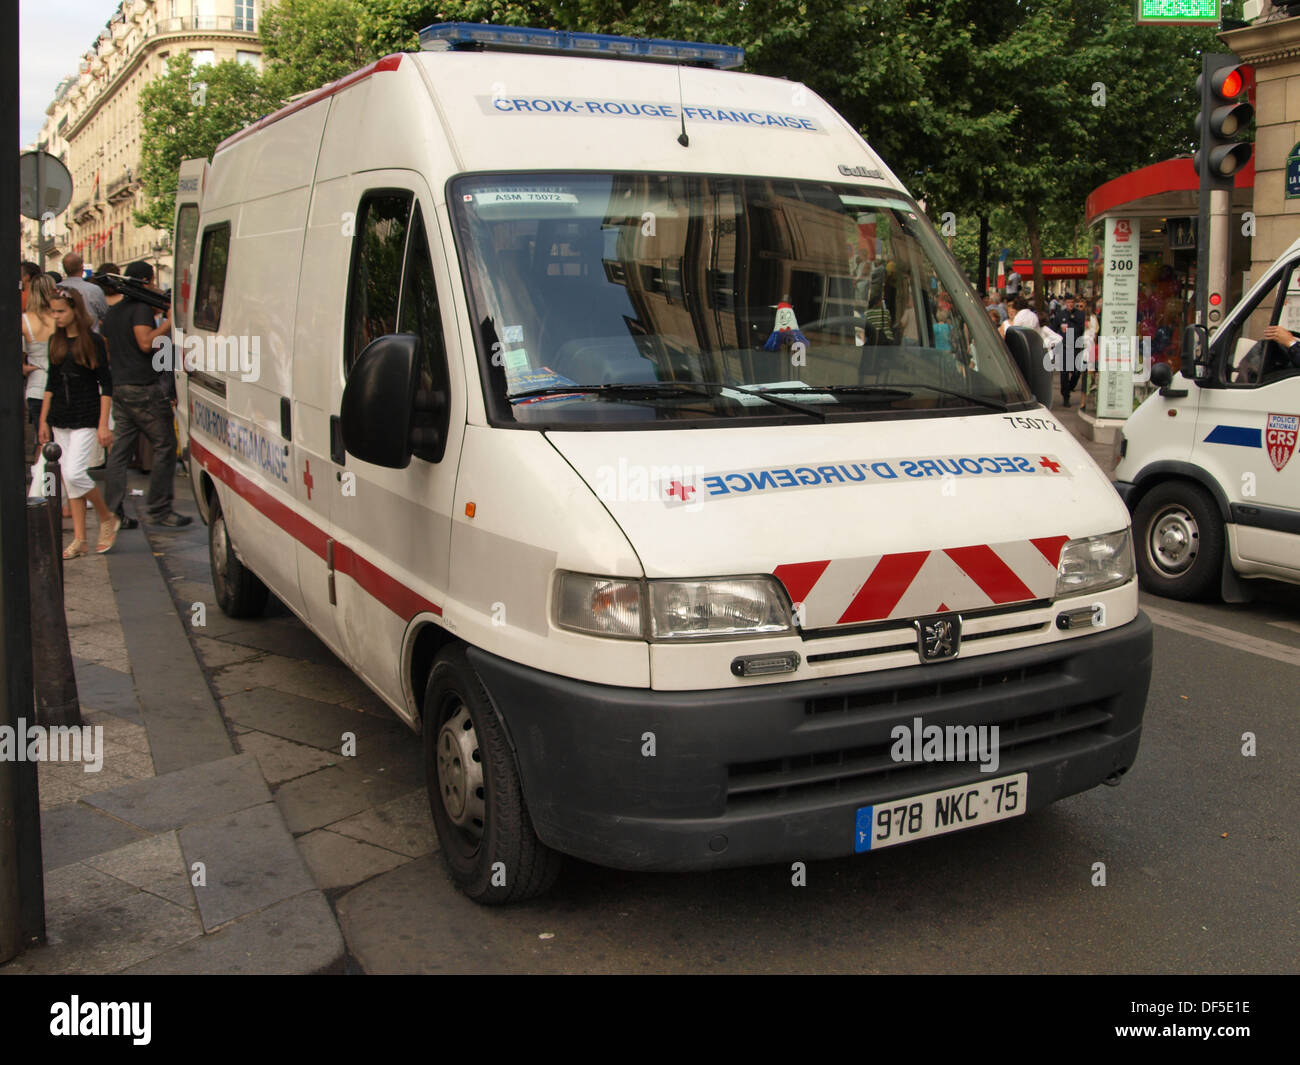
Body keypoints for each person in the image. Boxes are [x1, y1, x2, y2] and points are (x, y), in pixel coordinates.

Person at [101, 260, 191, 528]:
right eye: (151, 281)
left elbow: (109, 350)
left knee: (119, 452)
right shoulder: (140, 310)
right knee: (165, 445)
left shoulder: (113, 313)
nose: (153, 286)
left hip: (121, 387)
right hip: (144, 388)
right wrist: (168, 324)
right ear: (145, 281)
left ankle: (113, 510)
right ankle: (160, 509)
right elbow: (145, 342)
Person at [36, 287, 120, 557]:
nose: (56, 316)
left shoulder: (92, 341)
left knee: (73, 473)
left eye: (61, 311)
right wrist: (43, 421)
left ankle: (106, 516)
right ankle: (81, 540)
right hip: (60, 418)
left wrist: (104, 424)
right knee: (70, 480)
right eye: (53, 311)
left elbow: (106, 384)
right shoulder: (55, 341)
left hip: (86, 416)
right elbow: (50, 384)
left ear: (75, 310)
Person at [22, 275, 57, 458]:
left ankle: (44, 484)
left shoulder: (24, 321)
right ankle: (56, 484)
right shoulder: (60, 319)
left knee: (43, 441)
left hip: (36, 385)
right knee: (60, 442)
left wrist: (28, 368)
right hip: (60, 385)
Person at [59, 252, 108, 328]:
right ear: (82, 267)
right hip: (90, 336)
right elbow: (105, 315)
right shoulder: (94, 290)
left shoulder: (57, 289)